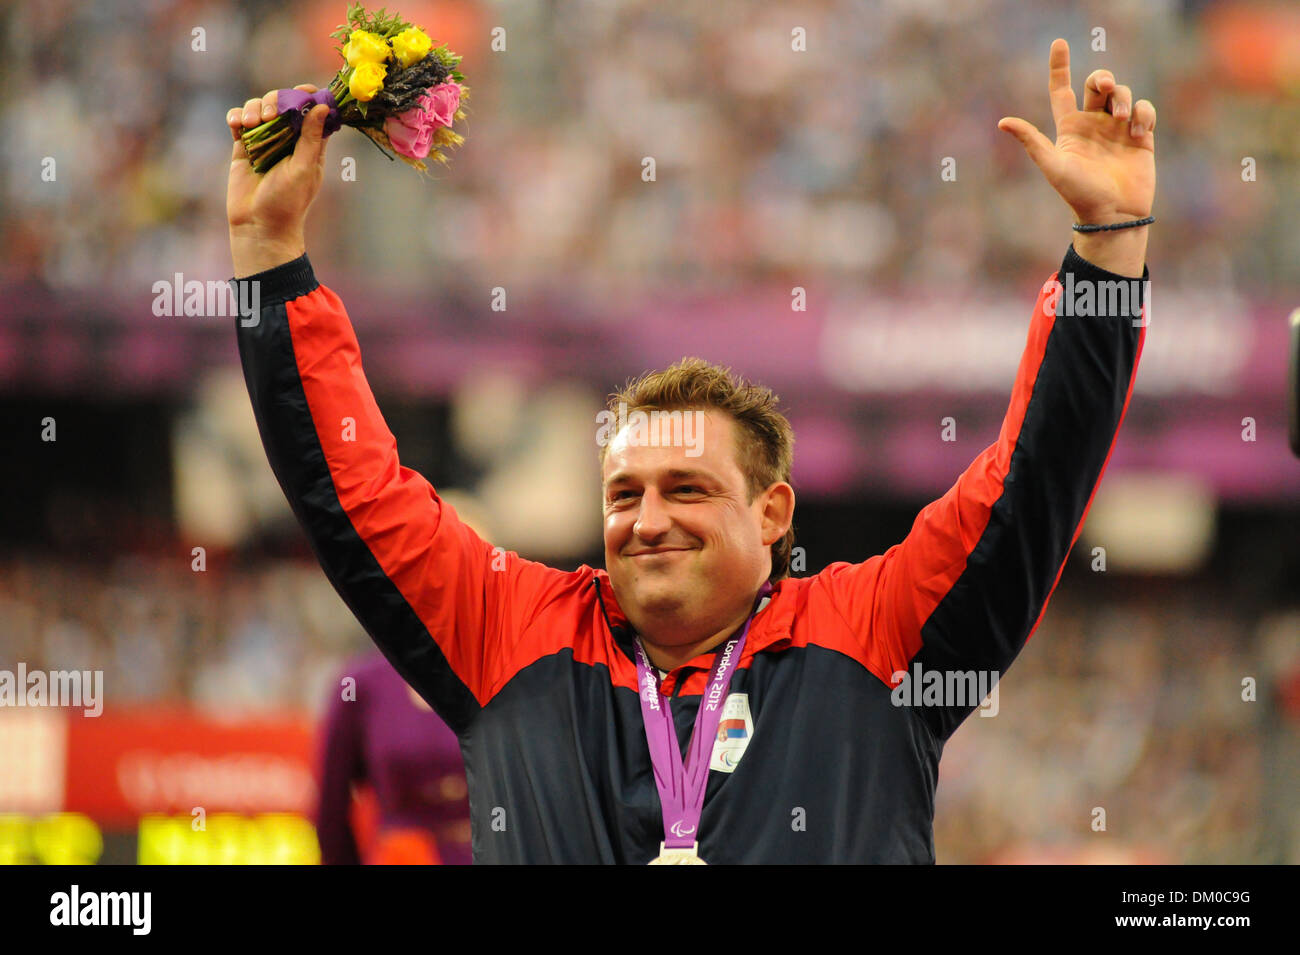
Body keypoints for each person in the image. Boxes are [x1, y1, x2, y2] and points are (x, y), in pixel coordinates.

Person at [225, 39, 1155, 863]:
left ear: (773, 511)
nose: (648, 519)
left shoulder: (879, 634)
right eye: (623, 493)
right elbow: (353, 490)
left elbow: (1033, 480)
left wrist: (1107, 250)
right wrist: (270, 252)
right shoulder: (508, 634)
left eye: (687, 487)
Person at [314, 652, 472, 865]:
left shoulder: (502, 679)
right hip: (402, 856)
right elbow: (331, 808)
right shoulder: (361, 685)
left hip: (489, 853)